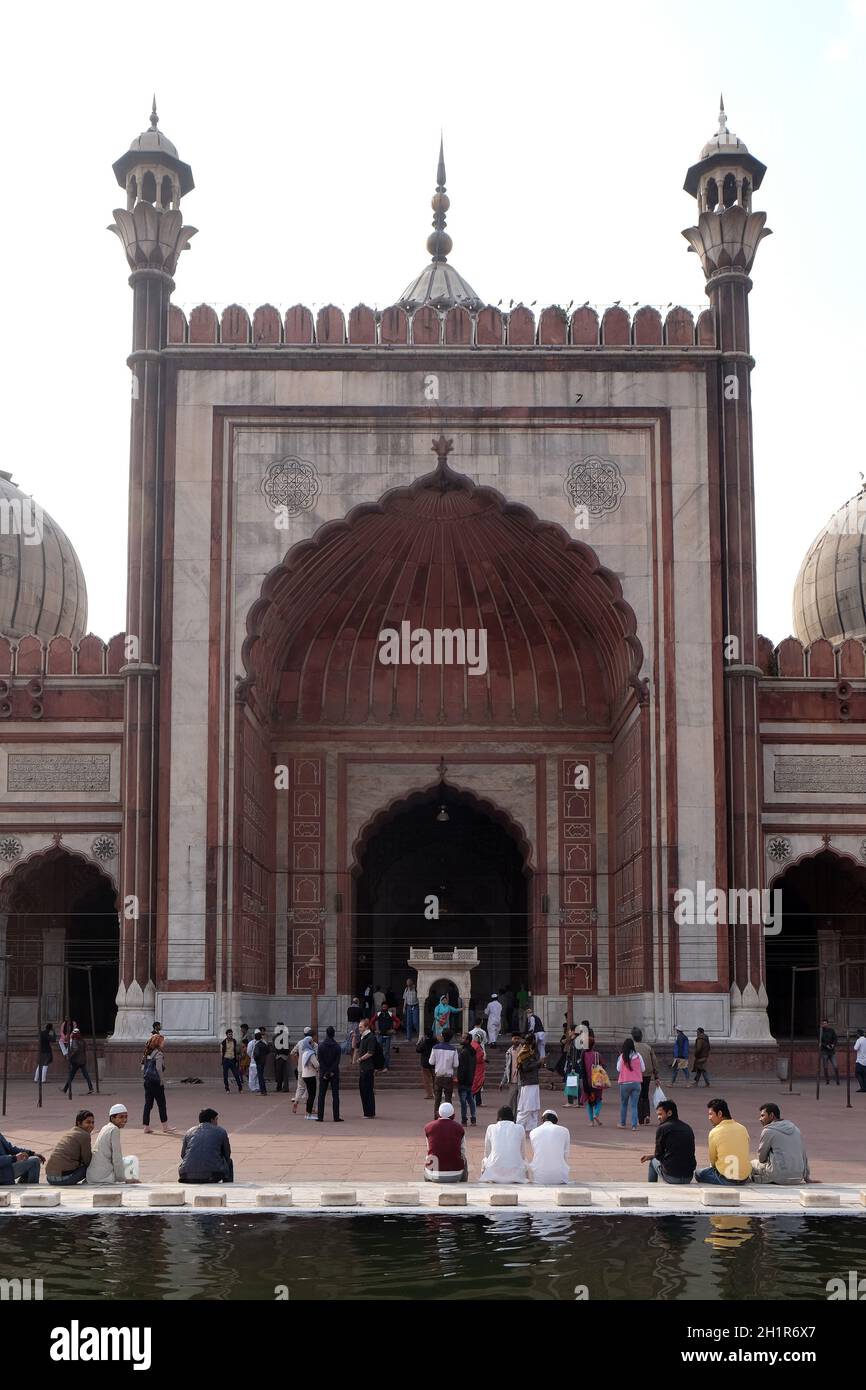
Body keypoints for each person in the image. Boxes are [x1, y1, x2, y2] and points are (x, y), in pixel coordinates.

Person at [750, 1103, 810, 1184]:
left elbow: (762, 1158)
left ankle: (757, 1180)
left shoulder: (768, 1131)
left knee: (752, 1163)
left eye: (763, 1116)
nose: (760, 1119)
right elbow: (803, 1155)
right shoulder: (796, 1129)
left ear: (771, 1115)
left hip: (780, 1176)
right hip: (798, 1177)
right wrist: (807, 1177)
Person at [695, 1099, 751, 1185]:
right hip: (744, 1178)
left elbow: (713, 1160)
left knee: (698, 1173)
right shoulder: (743, 1128)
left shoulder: (714, 1132)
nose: (709, 1118)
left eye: (711, 1114)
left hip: (726, 1178)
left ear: (720, 1114)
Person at [641, 1099, 696, 1184]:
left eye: (660, 1114)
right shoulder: (687, 1127)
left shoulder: (662, 1128)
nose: (658, 1117)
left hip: (672, 1177)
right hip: (688, 1176)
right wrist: (653, 1156)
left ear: (669, 1113)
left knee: (653, 1162)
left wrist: (653, 1157)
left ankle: (651, 1188)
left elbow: (658, 1155)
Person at [87, 1104, 139, 1185]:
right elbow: (116, 1157)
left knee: (126, 1161)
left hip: (91, 1176)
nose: (124, 1120)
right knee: (132, 1159)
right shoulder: (114, 1130)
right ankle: (131, 1185)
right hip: (103, 1177)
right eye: (121, 1117)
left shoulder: (105, 1127)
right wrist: (123, 1179)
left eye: (126, 1117)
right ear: (112, 1118)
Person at [179, 1108, 233, 1183]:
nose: (217, 1122)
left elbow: (183, 1155)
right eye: (216, 1119)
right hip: (212, 1175)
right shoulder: (221, 1131)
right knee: (229, 1162)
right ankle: (228, 1185)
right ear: (211, 1120)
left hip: (186, 1175)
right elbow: (227, 1154)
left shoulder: (189, 1131)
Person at [480, 1105, 528, 1184]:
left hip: (494, 1174)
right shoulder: (520, 1128)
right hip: (515, 1175)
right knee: (525, 1160)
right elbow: (522, 1154)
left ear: (499, 1117)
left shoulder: (491, 1128)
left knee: (484, 1160)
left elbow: (487, 1153)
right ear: (512, 1117)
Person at [45, 1111, 94, 1186]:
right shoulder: (85, 1135)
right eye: (88, 1122)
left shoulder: (72, 1131)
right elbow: (87, 1160)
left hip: (49, 1178)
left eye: (92, 1122)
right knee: (91, 1167)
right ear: (79, 1123)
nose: (91, 1125)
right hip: (62, 1180)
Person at [423, 1102, 468, 1183]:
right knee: (464, 1158)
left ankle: (428, 1184)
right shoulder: (459, 1128)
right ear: (453, 1115)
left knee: (429, 1158)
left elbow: (429, 1149)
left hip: (434, 1174)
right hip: (456, 1174)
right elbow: (463, 1151)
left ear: (438, 1114)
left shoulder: (428, 1127)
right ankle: (463, 1183)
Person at [528, 1110, 570, 1184]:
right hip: (560, 1177)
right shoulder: (565, 1130)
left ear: (542, 1119)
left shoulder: (533, 1132)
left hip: (538, 1177)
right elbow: (565, 1155)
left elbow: (536, 1152)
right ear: (556, 1120)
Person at [631, 1026, 660, 1125]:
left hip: (636, 1074)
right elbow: (655, 1061)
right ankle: (647, 1115)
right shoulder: (648, 1047)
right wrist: (656, 1076)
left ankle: (640, 1118)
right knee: (645, 1095)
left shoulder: (631, 1047)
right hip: (647, 1074)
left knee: (638, 1096)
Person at [142, 1036, 170, 1134]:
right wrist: (161, 1080)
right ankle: (165, 1126)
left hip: (147, 1081)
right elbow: (159, 1068)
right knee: (161, 1104)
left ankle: (146, 1126)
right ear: (158, 1043)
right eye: (162, 1042)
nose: (164, 1043)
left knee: (148, 1104)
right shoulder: (158, 1053)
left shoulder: (147, 1052)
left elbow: (142, 1067)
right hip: (156, 1082)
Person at [316, 1026, 343, 1122]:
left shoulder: (321, 1046)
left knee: (321, 1095)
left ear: (326, 1034)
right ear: (334, 1034)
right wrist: (331, 1072)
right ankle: (336, 1117)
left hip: (323, 1073)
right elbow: (337, 1062)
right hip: (334, 1073)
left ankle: (320, 1116)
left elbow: (320, 1060)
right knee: (335, 1095)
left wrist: (325, 1072)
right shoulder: (337, 1047)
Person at [430, 1029, 460, 1119]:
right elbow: (456, 1064)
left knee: (437, 1099)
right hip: (448, 1076)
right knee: (448, 1099)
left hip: (438, 1075)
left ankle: (436, 1117)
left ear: (442, 1036)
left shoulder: (435, 1047)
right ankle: (449, 1117)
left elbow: (431, 1062)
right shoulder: (453, 1049)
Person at [616, 1036, 644, 1130]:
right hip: (636, 1083)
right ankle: (634, 1125)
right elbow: (643, 1068)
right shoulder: (638, 1056)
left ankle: (623, 1123)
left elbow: (618, 1069)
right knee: (634, 1105)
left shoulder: (622, 1056)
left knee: (624, 1104)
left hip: (624, 1083)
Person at [516, 1035, 541, 1132]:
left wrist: (540, 1063)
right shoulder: (524, 1052)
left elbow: (533, 1065)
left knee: (534, 1108)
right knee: (527, 1108)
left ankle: (532, 1127)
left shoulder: (531, 1051)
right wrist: (538, 1063)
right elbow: (526, 1067)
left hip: (533, 1082)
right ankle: (518, 1126)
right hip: (528, 1083)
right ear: (533, 1040)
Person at [580, 1040, 606, 1126]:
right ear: (593, 1045)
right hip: (597, 1080)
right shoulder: (597, 1055)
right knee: (598, 1099)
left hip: (586, 1082)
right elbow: (603, 1065)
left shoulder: (583, 1055)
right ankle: (596, 1113)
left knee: (589, 1101)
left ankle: (591, 1121)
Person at [355, 1017, 377, 1118]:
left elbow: (371, 1052)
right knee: (363, 1090)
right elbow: (355, 1046)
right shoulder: (363, 1037)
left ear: (366, 1027)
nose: (359, 1028)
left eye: (361, 1027)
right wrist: (354, 1037)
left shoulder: (370, 1037)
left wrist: (360, 1059)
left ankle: (369, 1112)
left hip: (368, 1068)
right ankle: (368, 1112)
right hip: (364, 1068)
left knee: (367, 1090)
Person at [62, 1029, 94, 1096]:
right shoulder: (82, 1041)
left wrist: (70, 1056)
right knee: (86, 1075)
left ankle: (65, 1089)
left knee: (71, 1075)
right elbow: (85, 1048)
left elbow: (75, 1049)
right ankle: (91, 1088)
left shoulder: (74, 1041)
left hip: (76, 1061)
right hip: (82, 1060)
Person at [291, 1028, 315, 1113]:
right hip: (310, 1070)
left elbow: (292, 1052)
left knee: (300, 1087)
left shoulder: (300, 1043)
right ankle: (310, 1107)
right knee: (311, 1089)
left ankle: (296, 1101)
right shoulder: (313, 1044)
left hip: (300, 1068)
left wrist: (297, 1062)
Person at [457, 1033, 478, 1126]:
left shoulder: (464, 1052)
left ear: (467, 1040)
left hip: (464, 1080)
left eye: (463, 1038)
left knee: (463, 1101)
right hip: (470, 1078)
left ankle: (464, 1119)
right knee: (471, 1100)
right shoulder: (472, 1051)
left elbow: (462, 1067)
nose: (461, 1039)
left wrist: (460, 1079)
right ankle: (473, 1118)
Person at [500, 1033, 523, 1115]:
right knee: (511, 1103)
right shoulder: (509, 1052)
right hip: (512, 1081)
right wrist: (503, 1081)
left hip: (522, 1081)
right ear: (512, 1039)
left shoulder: (524, 1050)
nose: (516, 1040)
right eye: (514, 1038)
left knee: (520, 1103)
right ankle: (512, 1121)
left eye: (518, 1038)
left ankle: (518, 1121)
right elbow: (506, 1068)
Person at [298, 1030, 319, 1119]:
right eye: (311, 1042)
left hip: (305, 1075)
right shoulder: (311, 1053)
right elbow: (317, 1064)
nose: (312, 1044)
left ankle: (308, 1113)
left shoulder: (304, 1053)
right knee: (312, 1095)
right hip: (311, 1075)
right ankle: (308, 1114)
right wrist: (317, 1067)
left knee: (309, 1095)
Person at [374, 1000, 394, 1071]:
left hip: (387, 1036)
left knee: (386, 1052)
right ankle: (379, 1066)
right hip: (380, 1035)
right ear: (381, 1007)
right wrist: (375, 1030)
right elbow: (371, 1021)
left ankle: (386, 1066)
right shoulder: (378, 1014)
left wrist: (393, 1029)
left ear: (387, 1007)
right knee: (379, 1051)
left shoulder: (390, 1014)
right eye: (383, 1007)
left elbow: (397, 1021)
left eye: (385, 1007)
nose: (384, 1008)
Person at [416, 1028, 435, 1100]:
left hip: (425, 1063)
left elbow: (418, 1049)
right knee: (435, 1079)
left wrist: (421, 1041)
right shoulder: (436, 1042)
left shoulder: (424, 1042)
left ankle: (429, 1094)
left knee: (427, 1079)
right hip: (434, 1063)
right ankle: (436, 1092)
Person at [34, 1021, 56, 1086]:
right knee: (45, 1066)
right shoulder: (47, 1035)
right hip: (46, 1051)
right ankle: (43, 1080)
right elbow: (54, 1040)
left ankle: (35, 1079)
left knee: (39, 1065)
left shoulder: (41, 1033)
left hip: (41, 1051)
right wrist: (54, 1032)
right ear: (50, 1029)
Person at [819, 1019, 839, 1085]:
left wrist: (833, 1044)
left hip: (831, 1051)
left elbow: (835, 1038)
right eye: (823, 1023)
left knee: (835, 1066)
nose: (824, 1024)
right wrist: (826, 1045)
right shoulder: (820, 1031)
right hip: (824, 1051)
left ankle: (837, 1079)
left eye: (825, 1023)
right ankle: (827, 1080)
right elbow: (820, 1042)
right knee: (825, 1067)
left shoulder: (831, 1030)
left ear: (827, 1024)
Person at [470, 1029, 486, 1110]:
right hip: (477, 1068)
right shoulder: (477, 1047)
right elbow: (478, 1058)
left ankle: (477, 1101)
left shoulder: (472, 1044)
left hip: (474, 1067)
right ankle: (473, 1101)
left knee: (476, 1084)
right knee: (477, 1084)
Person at [253, 1027, 271, 1095]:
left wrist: (255, 1057)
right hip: (263, 1061)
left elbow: (256, 1054)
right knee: (261, 1076)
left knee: (260, 1077)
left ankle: (262, 1091)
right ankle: (264, 1090)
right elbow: (268, 1051)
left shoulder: (257, 1045)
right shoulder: (263, 1044)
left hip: (259, 1062)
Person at [273, 1023, 290, 1091]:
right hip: (284, 1056)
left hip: (279, 1056)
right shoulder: (285, 1036)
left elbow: (275, 1047)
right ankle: (285, 1087)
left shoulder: (277, 1036)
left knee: (279, 1072)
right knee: (284, 1073)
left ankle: (279, 1087)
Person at [402, 978, 419, 1043]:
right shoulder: (406, 989)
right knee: (408, 1023)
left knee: (415, 1022)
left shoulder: (416, 989)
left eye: (409, 982)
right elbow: (405, 999)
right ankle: (409, 1038)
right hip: (408, 1007)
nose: (408, 984)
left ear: (412, 983)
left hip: (415, 1006)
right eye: (407, 982)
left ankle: (419, 1035)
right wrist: (404, 1008)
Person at [247, 1029, 261, 1094]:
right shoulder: (262, 1042)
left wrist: (252, 1057)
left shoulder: (251, 1043)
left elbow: (249, 1052)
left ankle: (253, 1088)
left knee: (253, 1076)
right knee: (257, 1076)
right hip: (258, 1062)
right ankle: (257, 1087)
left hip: (253, 1062)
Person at [855, 1027, 866, 1093]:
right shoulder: (865, 1040)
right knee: (864, 1075)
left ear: (858, 1034)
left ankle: (863, 1088)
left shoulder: (859, 1040)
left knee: (858, 1074)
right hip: (865, 1060)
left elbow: (855, 1048)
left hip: (860, 1060)